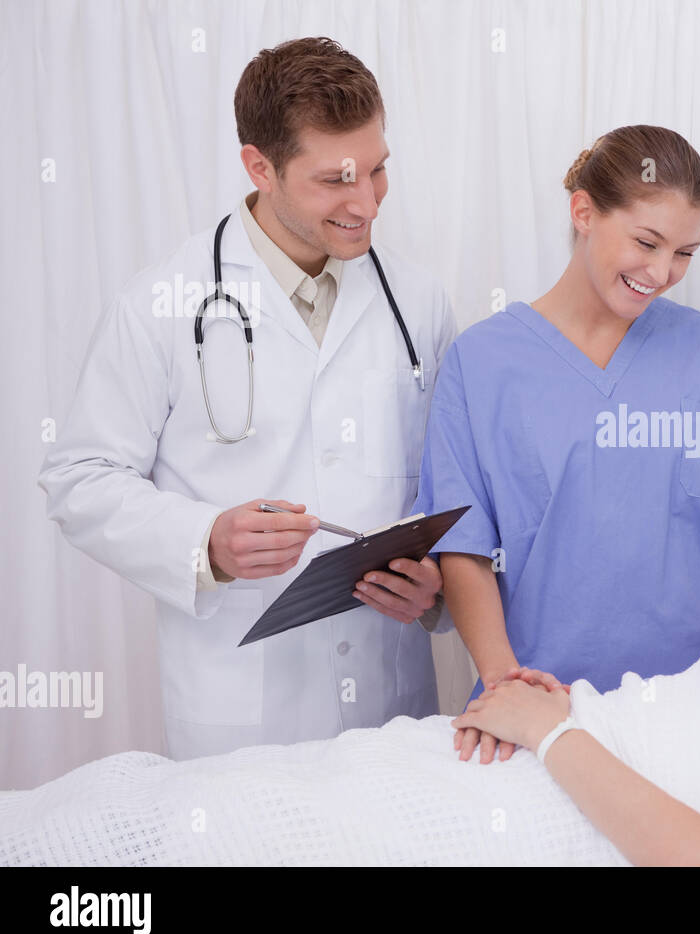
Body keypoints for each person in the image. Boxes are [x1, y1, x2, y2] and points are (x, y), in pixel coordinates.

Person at [0, 471, 700, 866]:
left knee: (178, 838)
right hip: (513, 760)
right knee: (167, 803)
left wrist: (552, 731)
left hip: (530, 811)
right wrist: (554, 711)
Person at [37, 38, 455, 760]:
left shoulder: (416, 301)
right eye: (335, 180)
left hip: (395, 709)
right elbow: (79, 478)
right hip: (244, 716)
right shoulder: (160, 305)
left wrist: (438, 589)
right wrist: (206, 542)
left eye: (379, 170)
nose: (366, 202)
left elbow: (455, 480)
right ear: (260, 167)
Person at [418, 125, 700, 763]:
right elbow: (462, 548)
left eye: (685, 253)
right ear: (583, 212)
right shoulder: (482, 363)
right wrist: (504, 683)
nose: (663, 273)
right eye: (646, 241)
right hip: (549, 706)